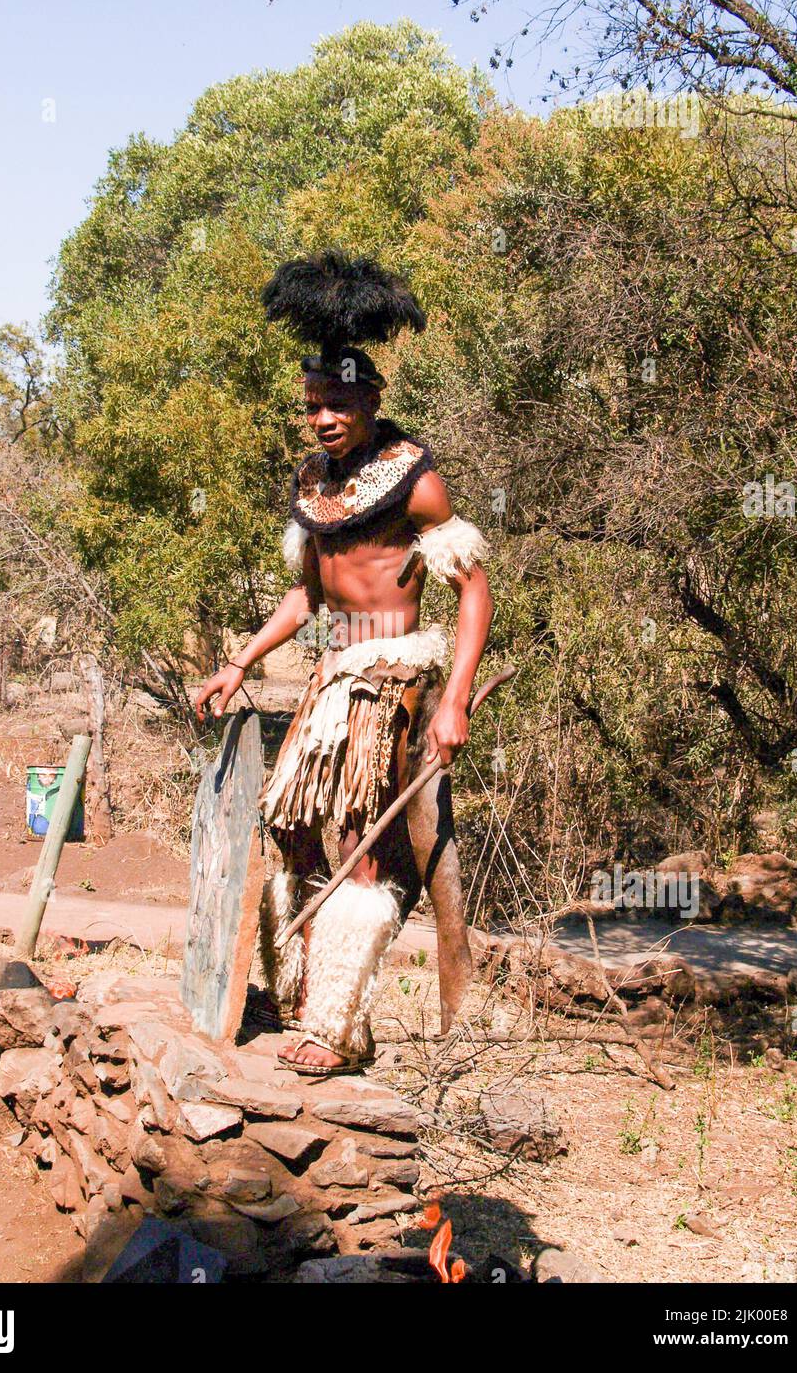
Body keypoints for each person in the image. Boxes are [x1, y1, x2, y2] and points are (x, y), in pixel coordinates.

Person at [195, 251, 493, 1076]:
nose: (323, 419)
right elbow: (307, 599)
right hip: (330, 679)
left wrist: (453, 699)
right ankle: (297, 996)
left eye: (337, 404)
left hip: (391, 682)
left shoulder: (414, 484)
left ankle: (336, 1022)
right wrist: (241, 661)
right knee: (289, 831)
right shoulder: (312, 485)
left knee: (363, 844)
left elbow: (474, 592)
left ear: (371, 399)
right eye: (312, 407)